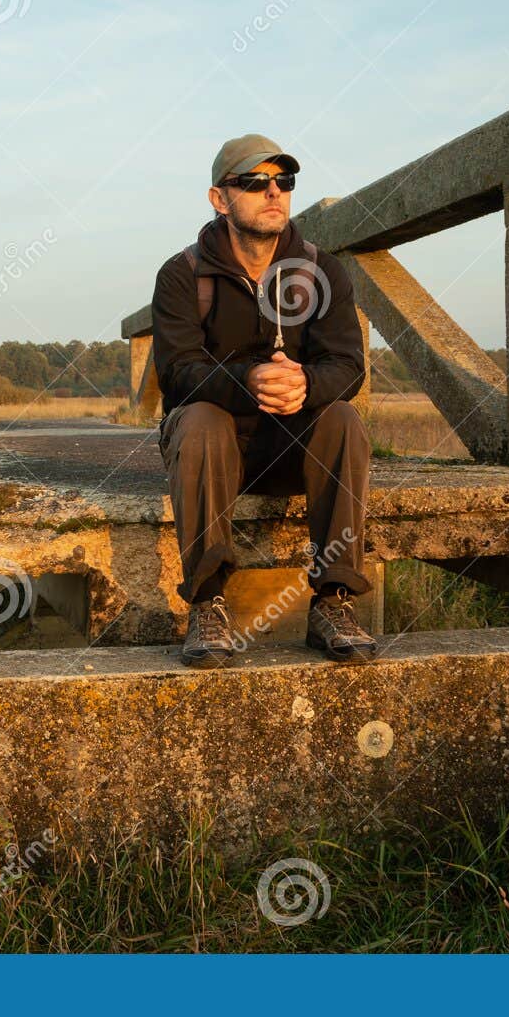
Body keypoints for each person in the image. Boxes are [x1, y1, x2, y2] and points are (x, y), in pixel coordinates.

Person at [151, 133, 377, 668]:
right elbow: (177, 372)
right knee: (202, 419)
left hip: (290, 446)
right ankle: (206, 603)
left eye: (284, 181)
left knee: (343, 416)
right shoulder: (183, 274)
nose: (273, 192)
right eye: (253, 182)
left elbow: (347, 365)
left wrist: (306, 385)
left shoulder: (323, 271)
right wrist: (247, 379)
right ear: (218, 198)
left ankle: (334, 601)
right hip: (211, 451)